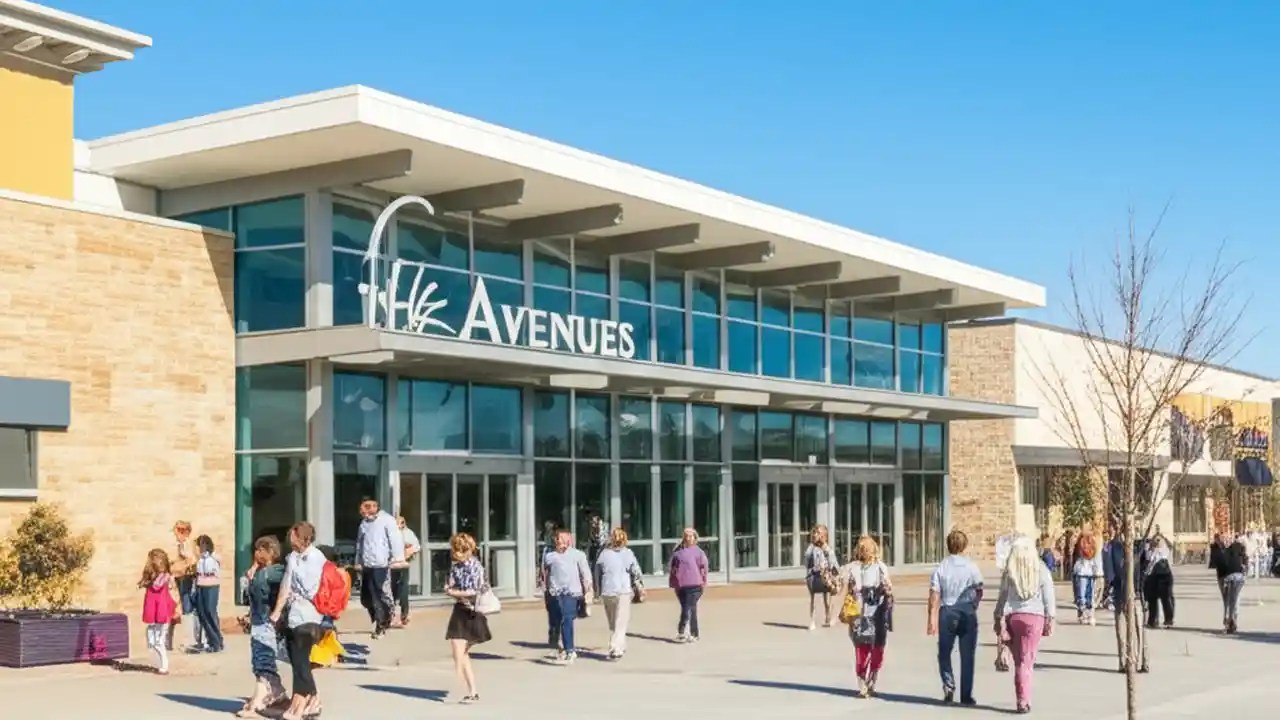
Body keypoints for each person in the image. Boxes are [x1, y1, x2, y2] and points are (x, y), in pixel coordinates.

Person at [993, 537, 1056, 715]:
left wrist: (998, 616)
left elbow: (1002, 596)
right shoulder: (1041, 569)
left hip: (1014, 616)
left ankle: (1021, 694)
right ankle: (1023, 700)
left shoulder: (1010, 571)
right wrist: (1051, 618)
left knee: (1020, 659)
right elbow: (1048, 595)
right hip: (1034, 617)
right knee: (1026, 661)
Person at [271, 522, 326, 720]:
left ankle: (301, 703)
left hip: (310, 615)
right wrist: (277, 612)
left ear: (303, 537)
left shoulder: (315, 557)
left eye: (293, 536)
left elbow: (311, 588)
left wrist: (294, 585)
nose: (289, 539)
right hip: (293, 616)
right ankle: (313, 699)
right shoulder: (293, 558)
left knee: (302, 661)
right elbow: (285, 587)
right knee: (297, 661)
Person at [927, 529, 984, 706]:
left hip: (947, 610)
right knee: (968, 655)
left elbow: (934, 594)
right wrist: (974, 604)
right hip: (966, 611)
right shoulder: (971, 566)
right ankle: (966, 695)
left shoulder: (941, 567)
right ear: (964, 546)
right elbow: (979, 589)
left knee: (944, 652)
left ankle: (948, 684)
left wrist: (931, 618)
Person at [237, 536, 287, 718]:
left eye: (261, 549)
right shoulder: (260, 571)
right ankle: (274, 690)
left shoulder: (275, 571)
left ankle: (262, 696)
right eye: (256, 549)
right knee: (259, 659)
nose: (257, 553)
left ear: (271, 552)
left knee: (263, 657)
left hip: (268, 622)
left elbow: (286, 588)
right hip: (258, 620)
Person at [445, 532, 491, 703]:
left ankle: (457, 678)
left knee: (461, 650)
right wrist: (450, 589)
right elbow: (450, 584)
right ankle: (471, 691)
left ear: (465, 551)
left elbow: (475, 592)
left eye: (456, 550)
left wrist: (454, 592)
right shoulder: (456, 567)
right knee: (459, 649)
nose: (453, 554)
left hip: (473, 611)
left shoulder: (476, 567)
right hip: (460, 609)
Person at [848, 535, 892, 698]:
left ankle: (871, 681)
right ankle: (862, 684)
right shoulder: (854, 568)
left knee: (877, 649)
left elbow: (888, 587)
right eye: (862, 548)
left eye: (867, 548)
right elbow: (850, 590)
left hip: (877, 613)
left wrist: (886, 590)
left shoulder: (880, 567)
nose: (865, 551)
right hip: (860, 613)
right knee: (862, 649)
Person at [355, 498, 405, 639]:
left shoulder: (386, 520)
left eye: (365, 507)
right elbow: (360, 543)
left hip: (381, 564)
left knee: (379, 594)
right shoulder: (364, 524)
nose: (363, 511)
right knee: (366, 597)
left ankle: (382, 622)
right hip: (367, 564)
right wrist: (358, 561)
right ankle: (379, 617)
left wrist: (398, 558)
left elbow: (395, 540)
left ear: (374, 507)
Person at [542, 528, 592, 664]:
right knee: (556, 621)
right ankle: (561, 648)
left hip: (572, 592)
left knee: (567, 618)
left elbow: (586, 573)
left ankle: (570, 650)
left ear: (570, 540)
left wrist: (588, 589)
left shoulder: (578, 555)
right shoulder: (550, 556)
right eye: (559, 539)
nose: (562, 542)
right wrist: (545, 590)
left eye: (565, 539)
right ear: (555, 540)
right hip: (554, 593)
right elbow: (545, 574)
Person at [1105, 529, 1148, 673]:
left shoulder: (1139, 547)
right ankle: (1123, 662)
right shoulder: (1114, 548)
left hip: (1135, 594)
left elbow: (1143, 570)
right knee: (1121, 630)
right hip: (1119, 593)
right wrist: (1111, 587)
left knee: (1139, 628)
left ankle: (1141, 660)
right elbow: (1110, 570)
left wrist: (1141, 591)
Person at [596, 527, 643, 659]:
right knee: (620, 622)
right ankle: (615, 647)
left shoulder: (604, 554)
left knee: (613, 622)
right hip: (622, 591)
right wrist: (639, 586)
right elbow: (636, 571)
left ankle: (620, 645)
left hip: (607, 591)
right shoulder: (628, 553)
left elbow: (597, 573)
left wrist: (597, 590)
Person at [309, 544, 351, 669]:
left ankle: (318, 659)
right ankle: (335, 654)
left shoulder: (322, 572)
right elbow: (342, 595)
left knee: (317, 637)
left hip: (321, 609)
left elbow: (321, 593)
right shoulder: (340, 573)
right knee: (328, 633)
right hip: (332, 610)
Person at [138, 548, 176, 675]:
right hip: (154, 613)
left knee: (159, 640)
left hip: (162, 613)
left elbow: (157, 585)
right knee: (152, 640)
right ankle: (162, 662)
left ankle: (164, 665)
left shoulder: (164, 577)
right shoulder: (151, 579)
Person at [669, 527, 709, 643]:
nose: (688, 538)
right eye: (686, 536)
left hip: (695, 585)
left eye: (691, 536)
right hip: (681, 586)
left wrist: (704, 582)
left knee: (690, 608)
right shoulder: (678, 553)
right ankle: (684, 632)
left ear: (695, 538)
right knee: (686, 608)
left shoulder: (699, 553)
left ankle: (690, 633)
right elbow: (673, 569)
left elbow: (704, 568)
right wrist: (673, 583)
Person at [169, 520, 203, 652]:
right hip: (180, 578)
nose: (177, 534)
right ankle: (189, 639)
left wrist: (180, 564)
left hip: (187, 578)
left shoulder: (188, 545)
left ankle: (191, 640)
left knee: (188, 609)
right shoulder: (180, 545)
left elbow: (192, 561)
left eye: (179, 531)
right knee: (185, 608)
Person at [803, 524, 840, 629]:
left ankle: (829, 615)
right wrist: (811, 547)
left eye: (818, 533)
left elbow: (833, 563)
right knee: (813, 599)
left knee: (827, 597)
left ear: (824, 535)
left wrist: (825, 548)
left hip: (826, 576)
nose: (815, 535)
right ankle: (812, 621)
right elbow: (806, 562)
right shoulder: (811, 548)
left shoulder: (827, 548)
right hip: (814, 576)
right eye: (814, 532)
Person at [193, 534, 224, 653]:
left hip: (211, 587)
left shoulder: (214, 557)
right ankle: (211, 640)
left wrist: (210, 554)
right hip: (200, 586)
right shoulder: (200, 559)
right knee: (202, 614)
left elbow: (219, 563)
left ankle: (217, 641)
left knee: (211, 612)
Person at [390, 515, 421, 627]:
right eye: (398, 523)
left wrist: (409, 551)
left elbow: (417, 546)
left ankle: (404, 614)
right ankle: (391, 615)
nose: (400, 525)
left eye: (402, 523)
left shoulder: (408, 533)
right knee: (391, 590)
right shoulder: (391, 533)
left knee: (403, 590)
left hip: (403, 565)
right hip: (392, 566)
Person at [1219, 534, 1248, 634]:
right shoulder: (1240, 549)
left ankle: (1228, 622)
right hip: (1239, 577)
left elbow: (1222, 566)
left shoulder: (1226, 551)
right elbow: (1245, 562)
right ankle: (1233, 621)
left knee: (1228, 602)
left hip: (1229, 577)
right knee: (1235, 600)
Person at [1143, 537, 1174, 628]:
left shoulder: (1164, 550)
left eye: (1158, 540)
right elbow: (1147, 558)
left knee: (1165, 599)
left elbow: (1170, 545)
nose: (1157, 542)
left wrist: (1163, 537)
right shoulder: (1150, 551)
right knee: (1153, 600)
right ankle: (1153, 621)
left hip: (1163, 576)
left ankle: (1167, 620)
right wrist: (1151, 545)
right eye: (1156, 540)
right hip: (1154, 576)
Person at [1072, 532, 1100, 625]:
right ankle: (1084, 613)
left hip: (1087, 573)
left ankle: (1087, 613)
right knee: (1084, 594)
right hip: (1082, 573)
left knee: (1087, 593)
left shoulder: (1092, 547)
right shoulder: (1080, 548)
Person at [584, 509, 609, 601]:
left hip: (601, 549)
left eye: (591, 518)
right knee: (594, 571)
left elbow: (600, 539)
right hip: (594, 550)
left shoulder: (601, 525)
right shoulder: (591, 526)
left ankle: (599, 593)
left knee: (598, 571)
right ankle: (596, 593)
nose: (590, 520)